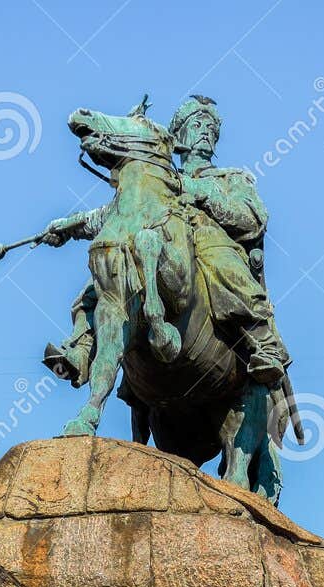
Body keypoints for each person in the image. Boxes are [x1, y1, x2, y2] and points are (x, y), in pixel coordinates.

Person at [42, 95, 291, 387]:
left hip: (206, 238)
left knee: (226, 267)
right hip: (162, 240)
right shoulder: (157, 175)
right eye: (196, 124)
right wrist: (70, 225)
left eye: (212, 127)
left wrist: (199, 190)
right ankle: (82, 346)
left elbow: (252, 219)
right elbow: (121, 212)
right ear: (179, 133)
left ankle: (264, 343)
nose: (206, 132)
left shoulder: (231, 177)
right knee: (105, 276)